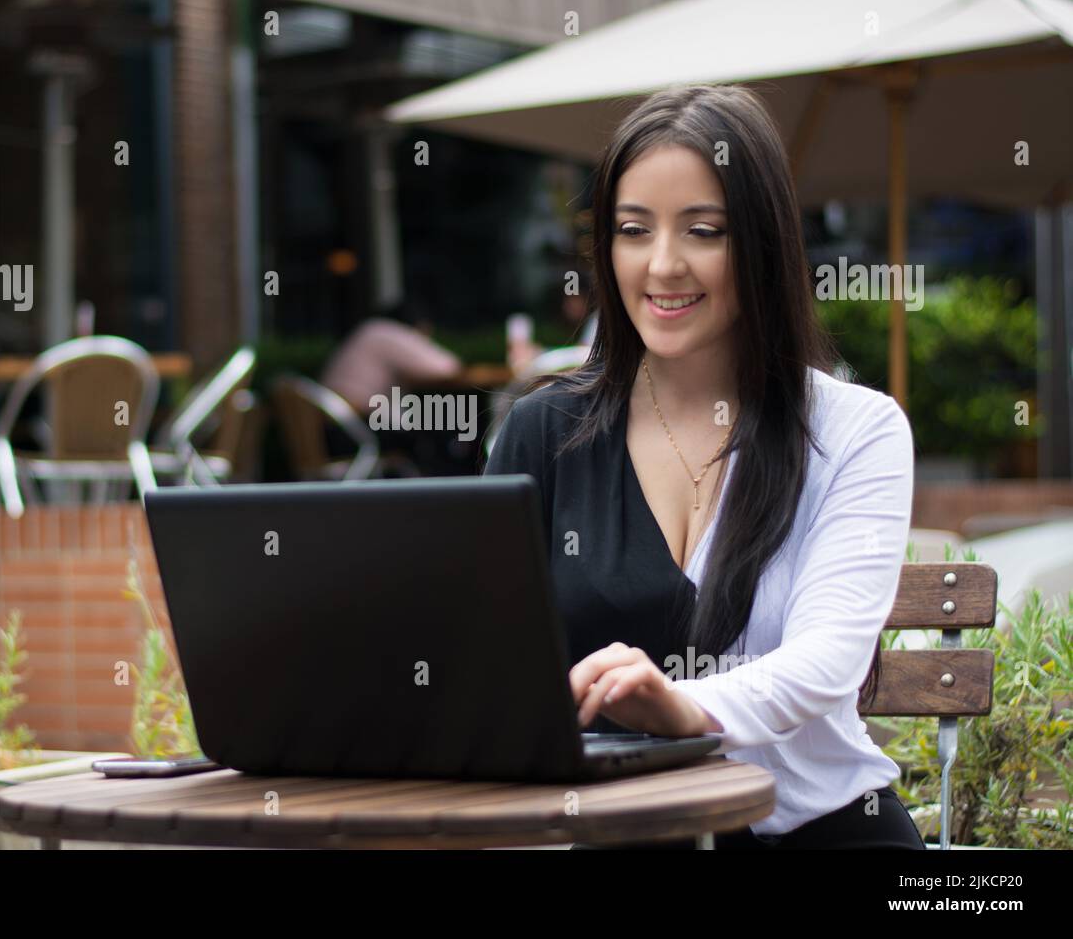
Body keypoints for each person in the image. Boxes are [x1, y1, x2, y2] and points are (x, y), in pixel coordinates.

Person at [483, 85, 924, 850]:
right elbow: (476, 656)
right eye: (632, 229)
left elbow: (826, 662)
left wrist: (685, 708)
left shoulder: (856, 431)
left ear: (760, 244)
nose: (662, 265)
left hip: (824, 834)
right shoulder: (543, 431)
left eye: (703, 230)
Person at [319, 301, 463, 418]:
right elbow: (447, 367)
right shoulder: (387, 333)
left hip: (335, 422)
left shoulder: (370, 330)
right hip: (354, 425)